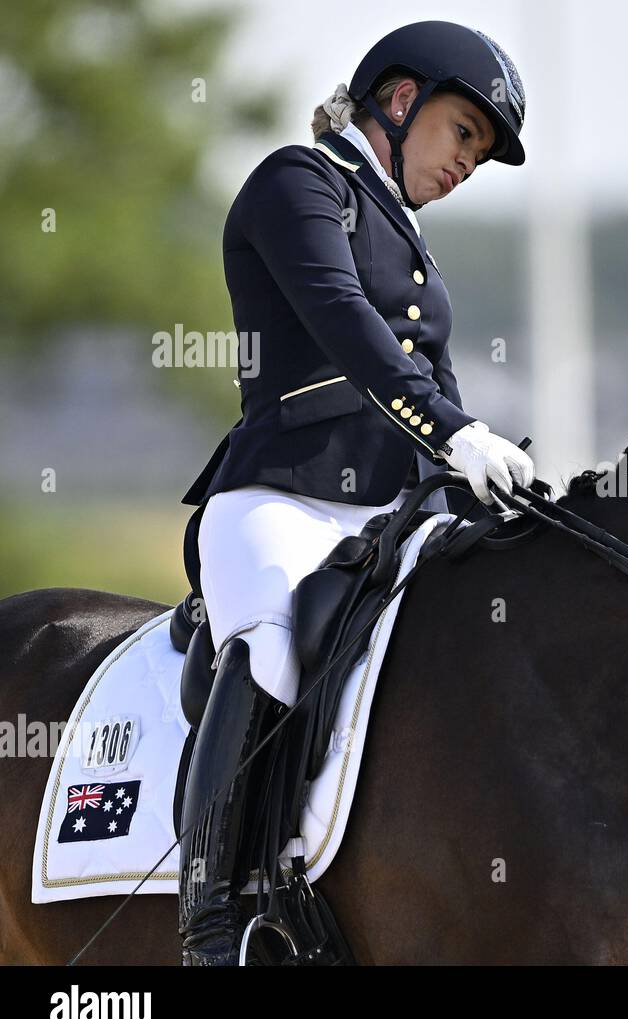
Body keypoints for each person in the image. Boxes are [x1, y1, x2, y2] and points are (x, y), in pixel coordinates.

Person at [175, 20, 535, 965]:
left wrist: (488, 479)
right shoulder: (299, 183)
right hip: (282, 499)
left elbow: (436, 383)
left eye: (482, 154)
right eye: (465, 132)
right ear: (402, 97)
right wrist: (451, 432)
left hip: (390, 512)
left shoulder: (408, 239)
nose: (468, 163)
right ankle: (214, 918)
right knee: (272, 646)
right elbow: (341, 321)